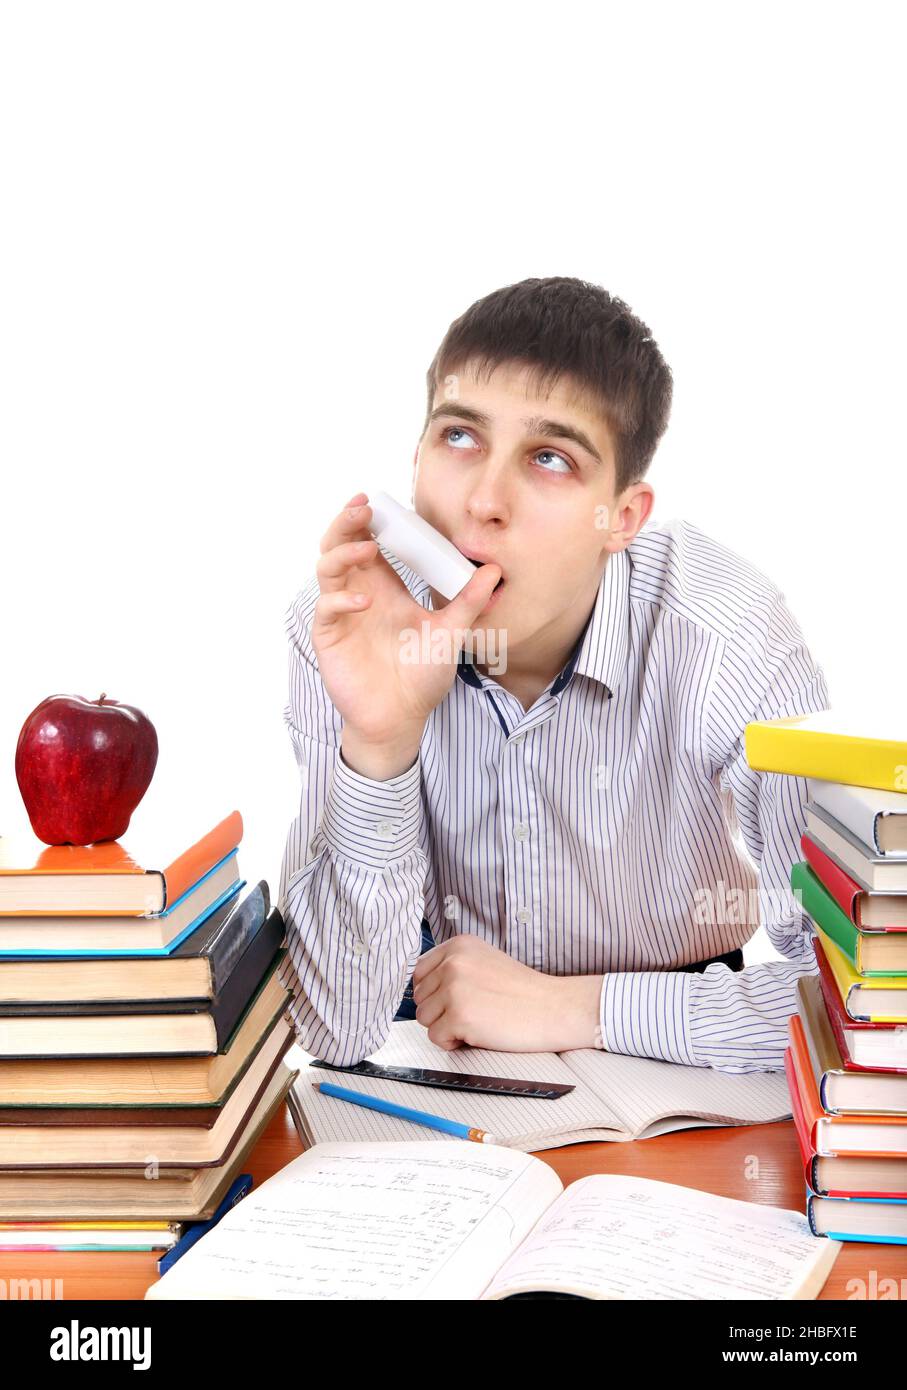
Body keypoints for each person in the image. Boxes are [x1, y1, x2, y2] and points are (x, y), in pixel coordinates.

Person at [276, 275, 829, 1073]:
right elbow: (330, 1028)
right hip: (429, 1028)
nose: (483, 502)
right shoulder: (347, 620)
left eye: (549, 458)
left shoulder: (726, 635)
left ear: (623, 518)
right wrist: (380, 741)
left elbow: (861, 999)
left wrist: (577, 1008)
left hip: (676, 1040)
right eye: (459, 438)